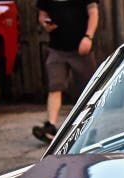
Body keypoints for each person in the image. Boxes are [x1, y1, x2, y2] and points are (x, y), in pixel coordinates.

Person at [32, 0, 98, 143]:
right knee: (55, 86)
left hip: (81, 49)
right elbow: (42, 15)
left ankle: (90, 126)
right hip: (57, 49)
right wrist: (45, 24)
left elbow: (93, 13)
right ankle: (51, 126)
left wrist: (88, 37)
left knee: (89, 89)